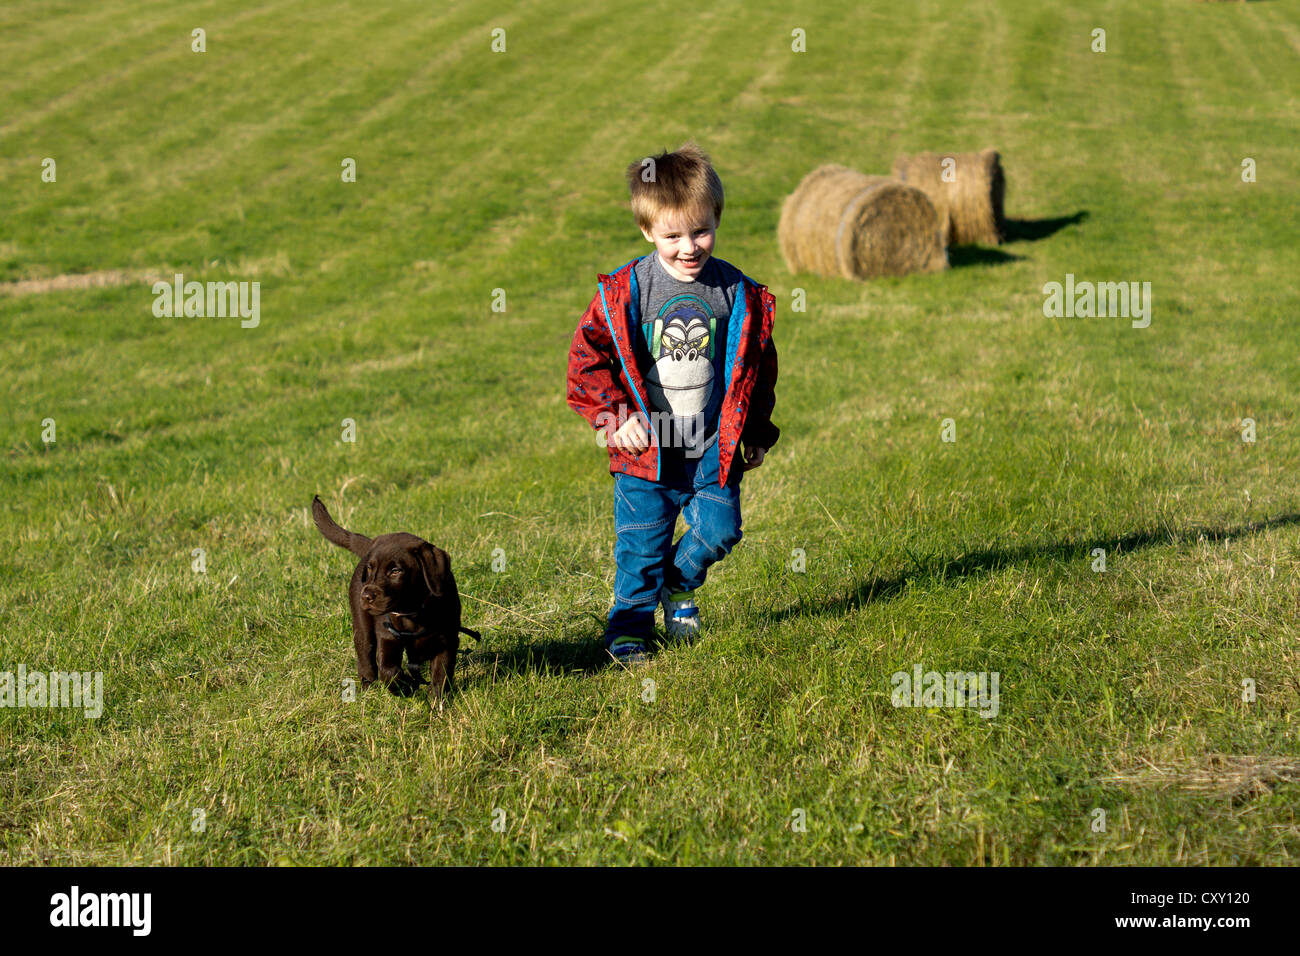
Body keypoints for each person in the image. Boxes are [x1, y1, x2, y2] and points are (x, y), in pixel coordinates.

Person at [566, 142, 780, 663]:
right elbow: (585, 361)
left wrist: (754, 432)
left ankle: (679, 584)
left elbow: (756, 371)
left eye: (701, 230)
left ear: (716, 218)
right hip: (647, 456)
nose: (689, 246)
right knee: (640, 548)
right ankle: (629, 629)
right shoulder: (627, 290)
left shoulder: (736, 293)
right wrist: (614, 418)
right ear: (647, 231)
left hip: (711, 448)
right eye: (672, 235)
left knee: (721, 529)